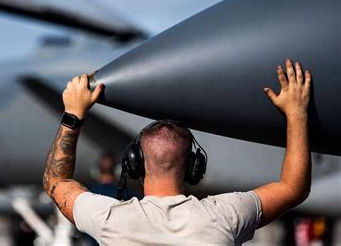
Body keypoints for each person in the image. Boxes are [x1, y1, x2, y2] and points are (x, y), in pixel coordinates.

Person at [43, 59, 311, 245]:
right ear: (194, 167)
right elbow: (293, 188)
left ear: (135, 163)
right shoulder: (226, 215)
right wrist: (297, 113)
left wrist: (73, 113)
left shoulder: (110, 219)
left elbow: (56, 182)